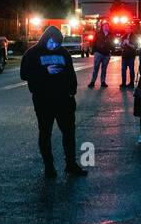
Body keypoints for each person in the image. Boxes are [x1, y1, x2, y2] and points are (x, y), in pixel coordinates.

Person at [20, 24, 87, 177]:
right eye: (51, 42)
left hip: (64, 99)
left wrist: (72, 93)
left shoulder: (63, 53)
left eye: (57, 43)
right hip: (43, 100)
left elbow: (71, 73)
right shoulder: (32, 53)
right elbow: (24, 74)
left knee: (69, 133)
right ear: (45, 39)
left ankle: (70, 164)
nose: (54, 46)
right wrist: (45, 71)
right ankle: (49, 166)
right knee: (45, 133)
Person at [87, 20, 112, 88]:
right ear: (102, 27)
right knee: (96, 68)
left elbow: (112, 44)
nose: (106, 27)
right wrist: (94, 51)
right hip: (98, 53)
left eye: (107, 26)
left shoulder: (110, 35)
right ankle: (92, 82)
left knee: (104, 69)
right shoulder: (98, 34)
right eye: (105, 26)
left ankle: (103, 82)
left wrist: (111, 52)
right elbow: (93, 43)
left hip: (106, 54)